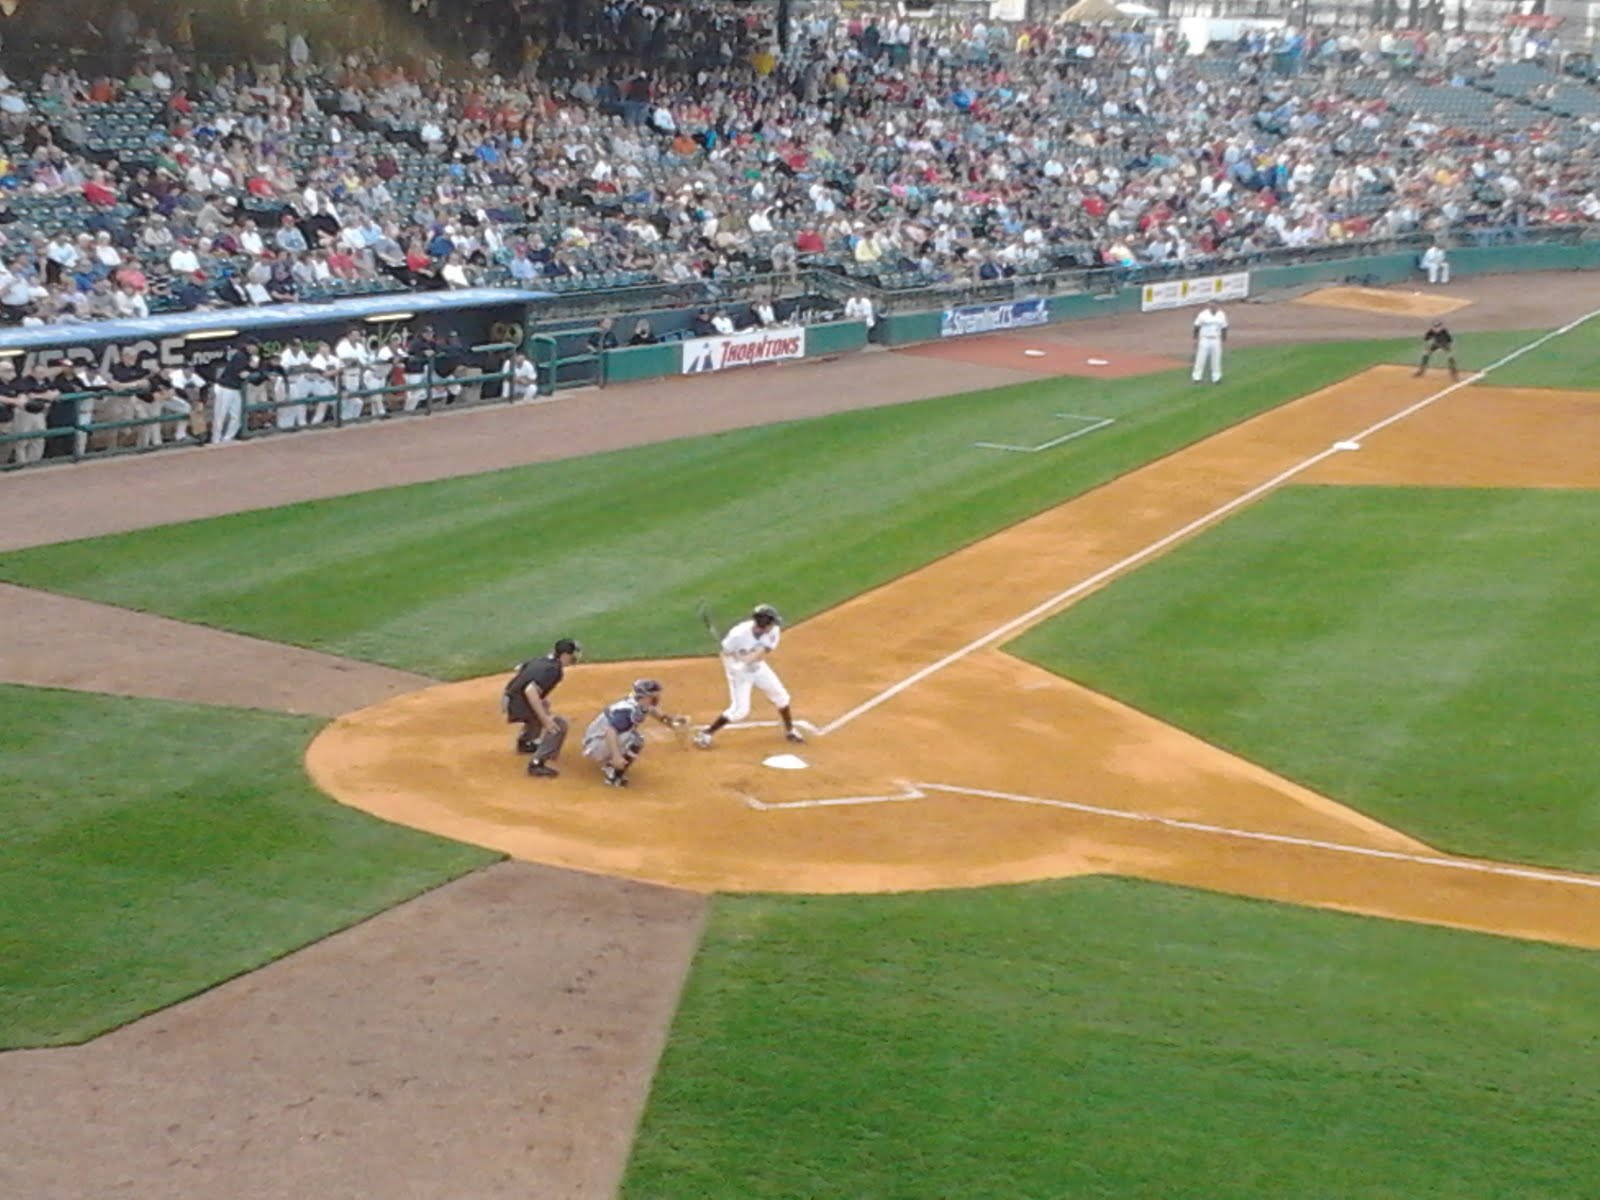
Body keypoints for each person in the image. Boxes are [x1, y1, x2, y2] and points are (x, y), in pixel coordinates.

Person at [695, 603, 804, 748]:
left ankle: (790, 730)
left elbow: (763, 650)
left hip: (757, 667)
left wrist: (748, 661)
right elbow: (725, 653)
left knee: (781, 696)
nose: (774, 625)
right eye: (771, 622)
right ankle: (706, 734)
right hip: (738, 673)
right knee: (740, 711)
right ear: (764, 623)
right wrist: (734, 667)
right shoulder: (737, 635)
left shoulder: (773, 631)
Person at [582, 677, 689, 788]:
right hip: (595, 744)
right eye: (654, 695)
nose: (657, 697)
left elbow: (652, 710)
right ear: (646, 696)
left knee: (630, 735)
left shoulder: (639, 702)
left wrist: (671, 722)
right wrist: (616, 757)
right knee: (635, 740)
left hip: (597, 738)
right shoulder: (627, 711)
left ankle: (610, 764)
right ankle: (613, 776)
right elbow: (610, 731)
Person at [502, 637, 583, 778]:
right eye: (572, 654)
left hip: (509, 697)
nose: (574, 657)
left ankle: (525, 743)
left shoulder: (543, 660)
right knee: (558, 726)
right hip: (518, 702)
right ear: (565, 655)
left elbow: (520, 668)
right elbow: (530, 691)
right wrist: (545, 719)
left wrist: (540, 702)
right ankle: (536, 763)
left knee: (541, 707)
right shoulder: (554, 670)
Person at [1191, 301, 1228, 384]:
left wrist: (1224, 338)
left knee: (1216, 359)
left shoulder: (1221, 315)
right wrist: (1195, 338)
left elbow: (1224, 327)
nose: (1213, 307)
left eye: (1214, 306)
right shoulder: (1203, 314)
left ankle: (1216, 378)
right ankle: (1197, 377)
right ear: (1209, 306)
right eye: (1211, 306)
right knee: (1200, 358)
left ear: (1218, 306)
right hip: (1205, 339)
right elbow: (1196, 326)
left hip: (1216, 339)